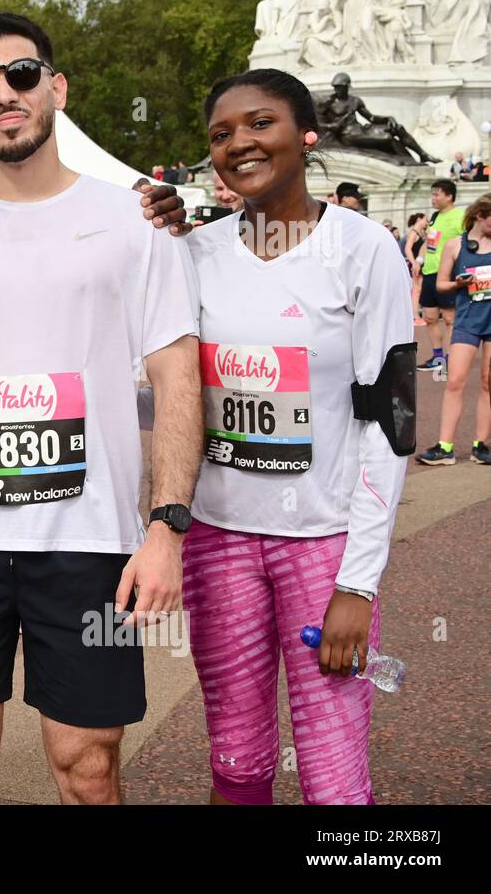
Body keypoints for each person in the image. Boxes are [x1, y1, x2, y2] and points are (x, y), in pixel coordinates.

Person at [0, 12, 201, 805]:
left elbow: (179, 376)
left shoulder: (135, 220)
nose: (3, 94)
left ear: (55, 87)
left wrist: (168, 526)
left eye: (21, 75)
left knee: (87, 770)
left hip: (88, 542)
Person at [182, 68, 414, 805]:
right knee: (238, 759)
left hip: (324, 545)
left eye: (260, 124)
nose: (240, 144)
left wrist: (358, 582)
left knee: (333, 773)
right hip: (217, 542)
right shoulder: (195, 253)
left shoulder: (363, 247)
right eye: (222, 134)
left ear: (307, 135)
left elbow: (393, 421)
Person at [417, 192, 491, 465]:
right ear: (481, 216)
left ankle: (481, 446)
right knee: (455, 381)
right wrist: (460, 283)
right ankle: (445, 447)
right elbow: (441, 285)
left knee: (488, 382)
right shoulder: (455, 246)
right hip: (468, 320)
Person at [418, 180, 464, 371]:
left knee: (449, 319)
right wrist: (419, 260)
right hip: (429, 272)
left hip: (448, 273)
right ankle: (438, 359)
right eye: (433, 194)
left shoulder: (460, 216)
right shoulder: (435, 216)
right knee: (429, 317)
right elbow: (429, 242)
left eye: (437, 194)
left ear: (449, 196)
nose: (433, 198)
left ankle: (451, 357)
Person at [404, 212, 428, 323]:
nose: (427, 223)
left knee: (418, 289)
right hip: (416, 266)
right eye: (425, 220)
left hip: (420, 265)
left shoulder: (420, 233)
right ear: (419, 219)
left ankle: (416, 315)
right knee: (416, 290)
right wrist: (414, 263)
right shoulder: (413, 233)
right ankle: (415, 316)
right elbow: (407, 249)